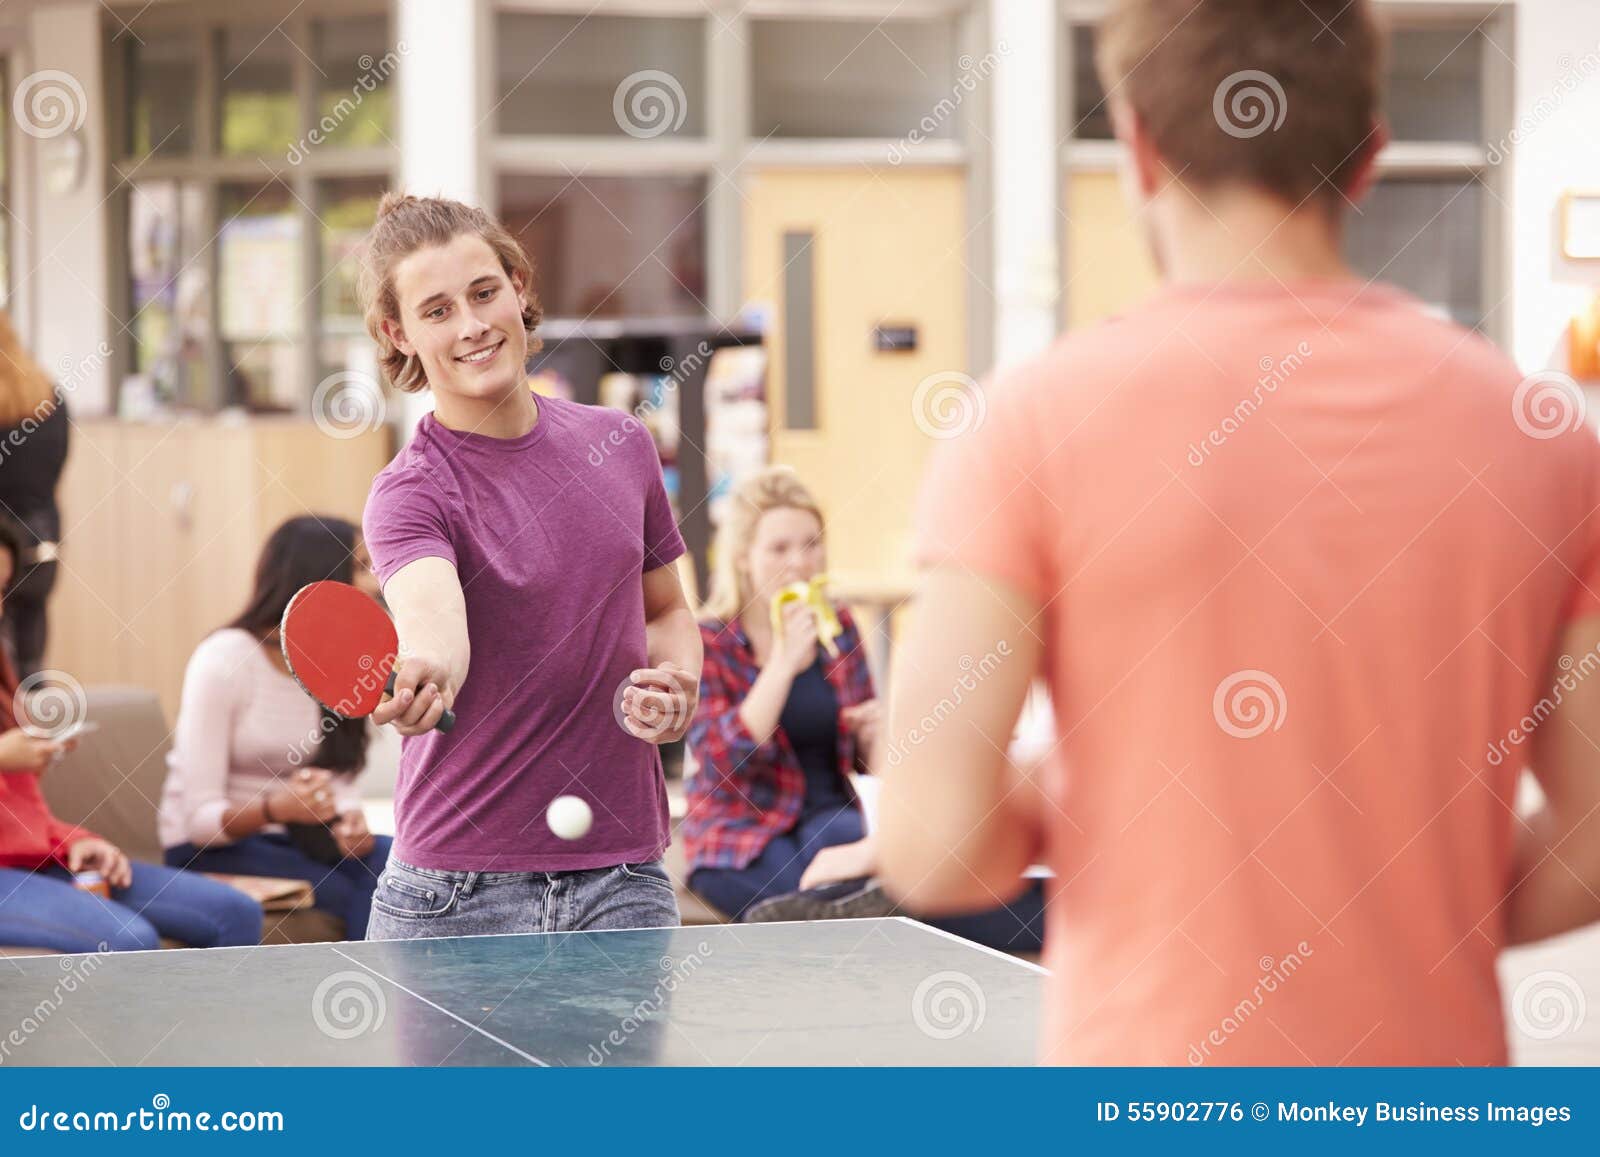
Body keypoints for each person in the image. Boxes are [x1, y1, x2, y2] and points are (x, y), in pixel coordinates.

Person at [878, 0, 1600, 1065]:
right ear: (1367, 155)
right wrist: (1400, 911)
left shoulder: (1031, 423)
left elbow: (932, 847)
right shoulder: (1543, 440)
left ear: (1138, 145)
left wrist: (1080, 782)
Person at [355, 193, 702, 939]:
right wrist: (426, 671)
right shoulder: (409, 492)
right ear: (399, 333)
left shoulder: (622, 444)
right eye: (437, 309)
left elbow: (667, 609)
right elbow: (435, 622)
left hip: (623, 876)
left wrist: (678, 679)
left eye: (484, 293)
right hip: (454, 894)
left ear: (518, 286)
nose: (473, 325)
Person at [684, 467, 1044, 952]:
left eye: (811, 544)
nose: (799, 563)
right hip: (742, 838)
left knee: (883, 884)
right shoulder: (710, 640)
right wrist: (785, 663)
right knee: (852, 910)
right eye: (779, 548)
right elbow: (722, 760)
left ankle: (866, 911)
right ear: (744, 559)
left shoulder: (839, 627)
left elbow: (863, 761)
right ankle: (1027, 913)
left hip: (830, 820)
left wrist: (878, 738)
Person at [0, 518, 262, 953]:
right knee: (129, 941)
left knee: (234, 913)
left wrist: (77, 841)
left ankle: (219, 1024)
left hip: (36, 862)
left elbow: (20, 810)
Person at [161, 516, 392, 940]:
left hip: (301, 839)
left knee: (402, 862)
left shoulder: (338, 662)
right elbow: (197, 820)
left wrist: (349, 823)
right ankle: (381, 1001)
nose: (376, 584)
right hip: (213, 848)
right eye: (361, 566)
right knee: (366, 888)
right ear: (320, 578)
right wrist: (275, 809)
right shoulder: (224, 659)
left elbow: (336, 778)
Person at [0, 310, 68, 677]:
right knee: (30, 665)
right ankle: (34, 728)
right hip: (42, 542)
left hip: (5, 545)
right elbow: (57, 466)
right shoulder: (47, 394)